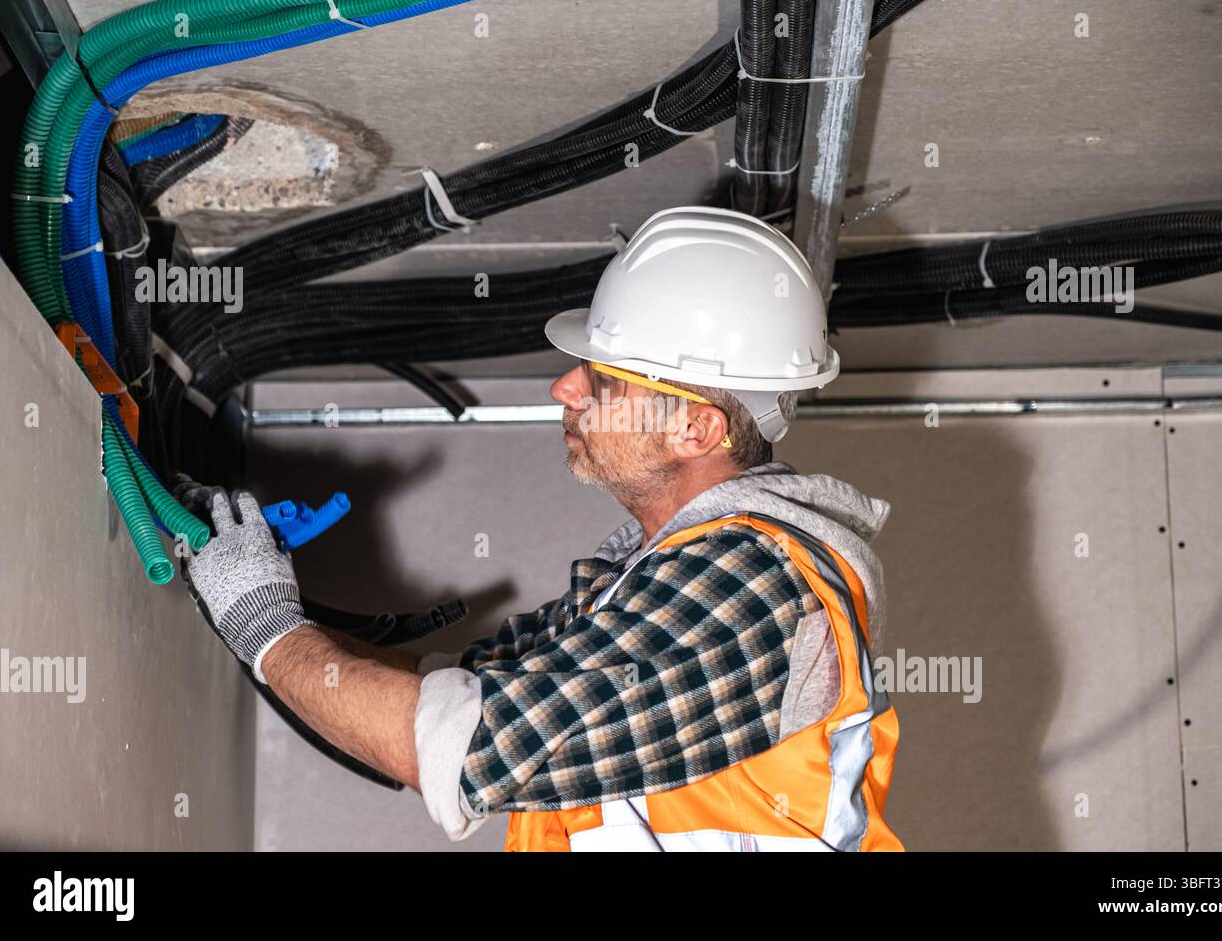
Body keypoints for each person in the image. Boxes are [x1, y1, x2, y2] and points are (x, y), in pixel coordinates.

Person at [180, 206, 903, 851]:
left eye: (605, 381)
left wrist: (265, 623)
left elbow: (468, 751)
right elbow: (451, 695)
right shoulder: (660, 582)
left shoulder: (748, 587)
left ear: (696, 429)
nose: (564, 388)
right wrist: (274, 609)